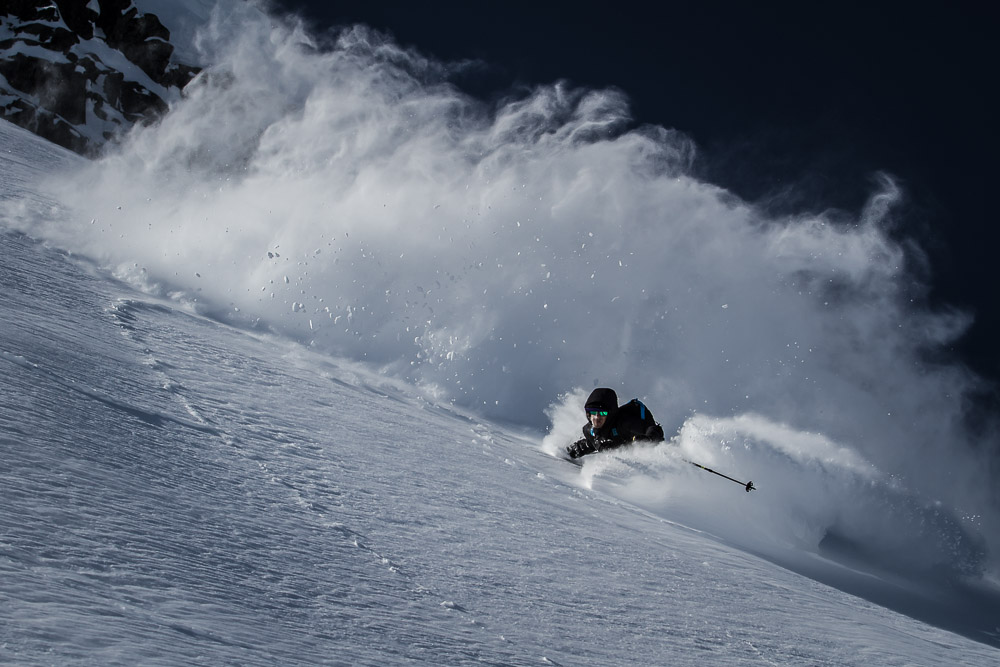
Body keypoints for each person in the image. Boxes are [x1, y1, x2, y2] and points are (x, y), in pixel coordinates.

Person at [566, 387, 665, 459]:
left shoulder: (625, 423)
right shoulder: (588, 430)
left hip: (645, 458)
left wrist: (648, 439)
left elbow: (653, 429)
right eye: (592, 412)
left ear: (610, 414)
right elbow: (592, 443)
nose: (597, 417)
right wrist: (577, 449)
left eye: (602, 413)